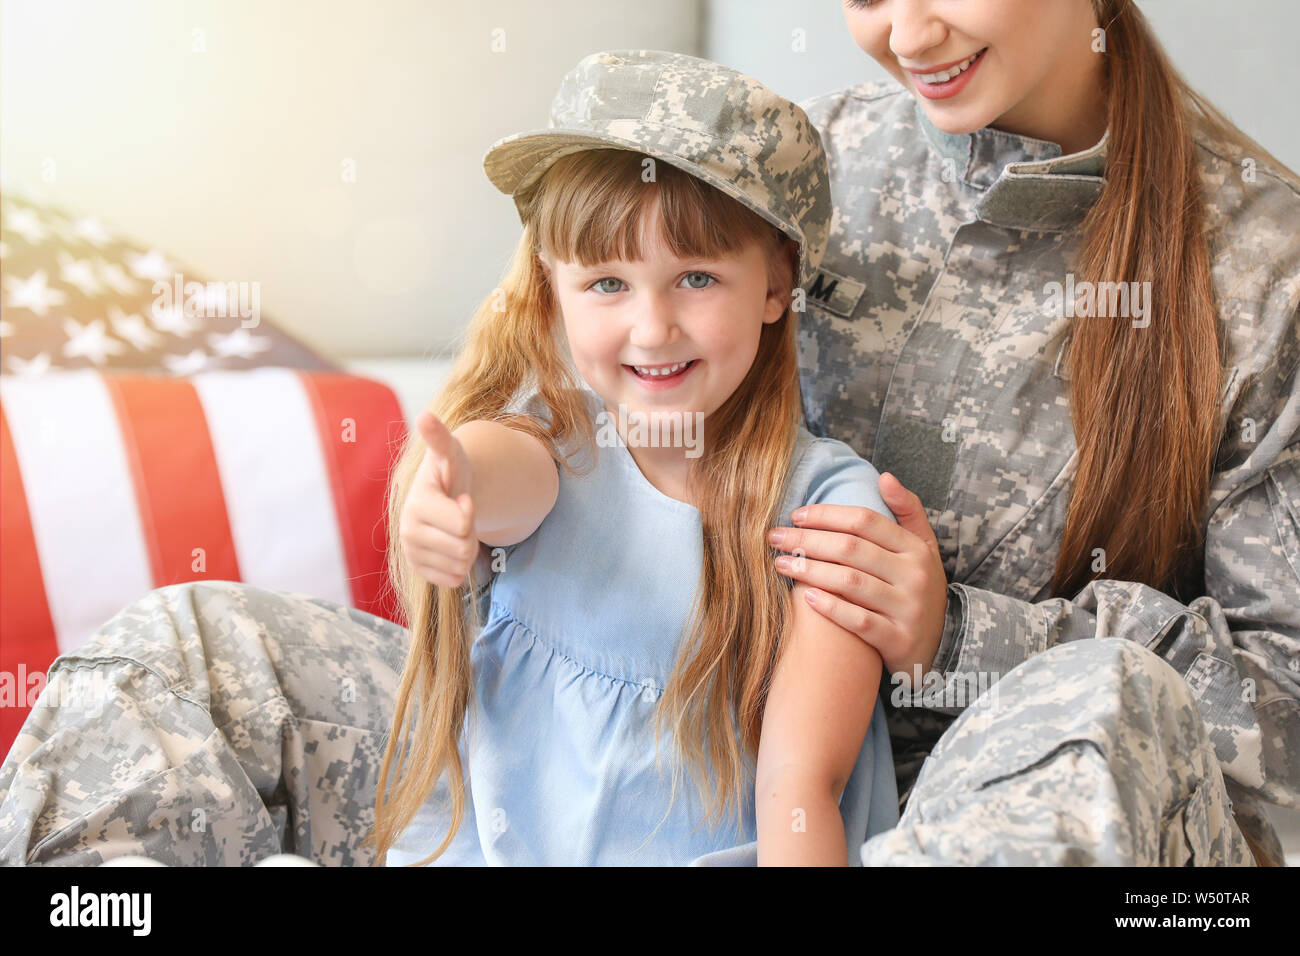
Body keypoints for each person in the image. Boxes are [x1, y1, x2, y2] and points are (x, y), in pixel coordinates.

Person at [763, 0, 1298, 866]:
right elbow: (579, 391)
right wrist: (477, 488)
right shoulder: (795, 169)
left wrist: (963, 635)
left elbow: (1288, 703)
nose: (906, 39)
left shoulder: (1270, 272)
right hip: (777, 818)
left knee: (1107, 692)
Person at [375, 49, 900, 867]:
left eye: (695, 277)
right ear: (553, 288)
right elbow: (497, 471)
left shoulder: (826, 510)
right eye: (607, 284)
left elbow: (800, 793)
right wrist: (451, 494)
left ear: (774, 286)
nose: (652, 329)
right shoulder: (558, 445)